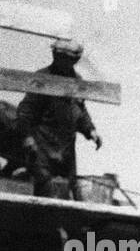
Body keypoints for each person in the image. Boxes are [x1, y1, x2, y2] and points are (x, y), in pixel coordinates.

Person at [16, 39, 102, 199]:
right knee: (45, 188)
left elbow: (80, 110)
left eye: (73, 59)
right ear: (56, 56)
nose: (70, 62)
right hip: (43, 144)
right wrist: (28, 138)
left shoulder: (77, 80)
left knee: (68, 189)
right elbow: (25, 111)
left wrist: (91, 130)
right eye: (64, 57)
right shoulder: (43, 77)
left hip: (66, 146)